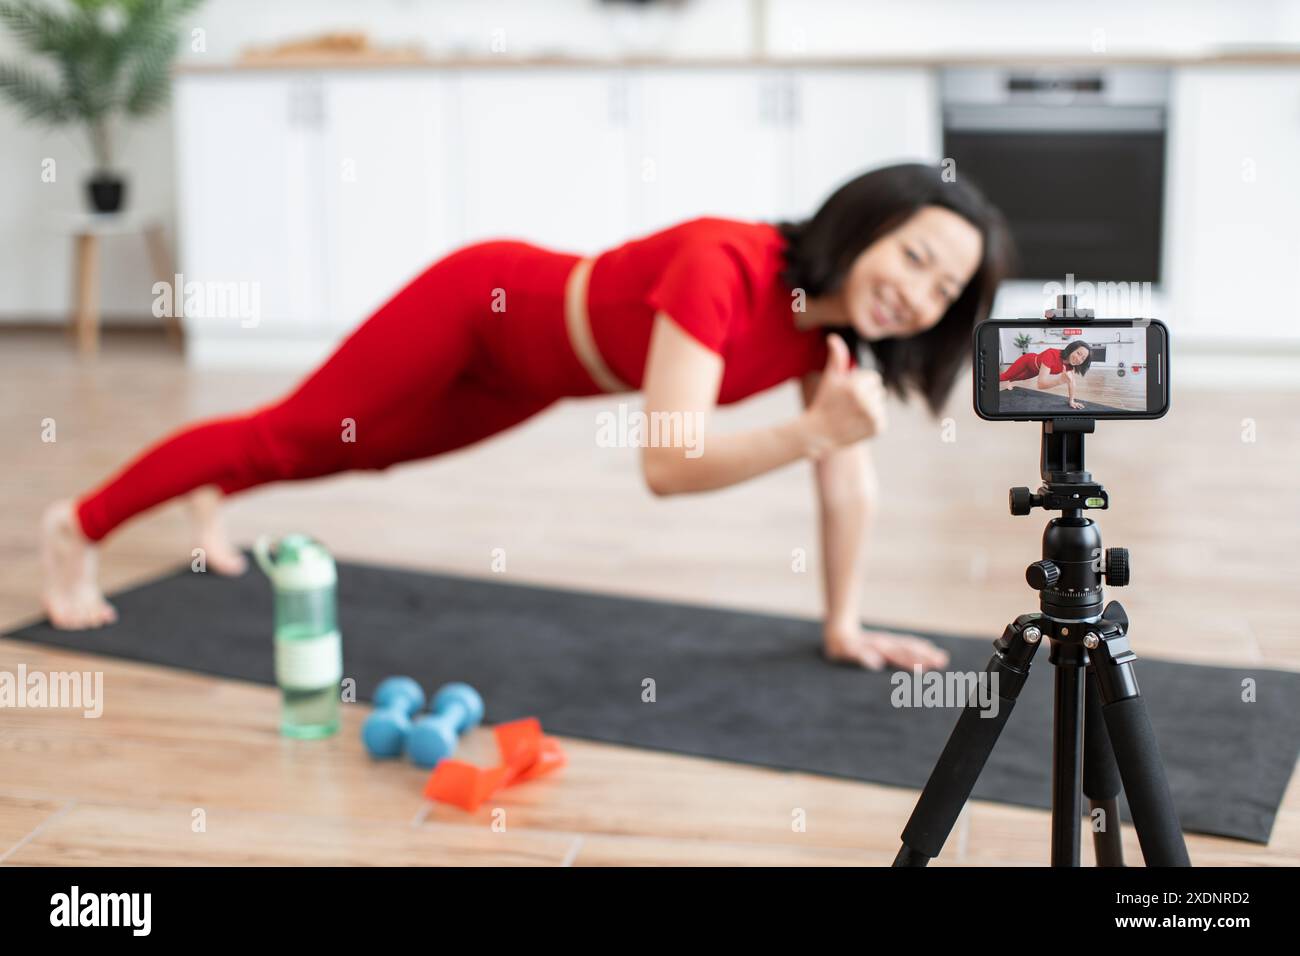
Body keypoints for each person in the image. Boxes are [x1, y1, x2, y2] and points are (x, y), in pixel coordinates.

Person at [41, 162, 1013, 670]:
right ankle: (76, 525)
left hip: (534, 374)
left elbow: (846, 475)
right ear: (867, 222)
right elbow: (666, 466)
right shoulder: (727, 264)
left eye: (949, 288)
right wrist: (811, 432)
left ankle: (214, 486)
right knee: (295, 429)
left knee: (357, 452)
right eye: (916, 255)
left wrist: (843, 623)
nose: (922, 293)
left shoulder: (825, 341)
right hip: (480, 303)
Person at [999, 340, 1091, 409]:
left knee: (1018, 378)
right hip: (1027, 361)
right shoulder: (1052, 354)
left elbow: (1072, 383)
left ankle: (1009, 381)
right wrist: (1060, 380)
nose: (1079, 359)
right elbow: (1041, 384)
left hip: (1035, 370)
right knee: (1005, 376)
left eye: (1083, 359)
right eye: (1079, 353)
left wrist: (1071, 401)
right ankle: (988, 379)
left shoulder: (1069, 366)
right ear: (1071, 349)